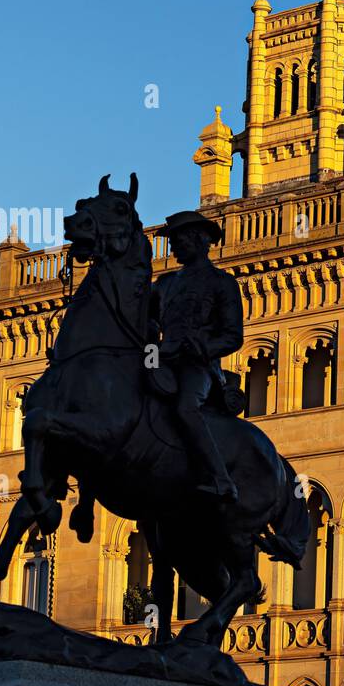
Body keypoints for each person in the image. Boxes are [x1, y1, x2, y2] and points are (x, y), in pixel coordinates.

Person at [149, 210, 243, 501]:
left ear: (200, 240)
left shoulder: (221, 283)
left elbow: (232, 336)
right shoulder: (164, 284)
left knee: (185, 408)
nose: (174, 246)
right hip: (160, 359)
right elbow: (147, 322)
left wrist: (204, 347)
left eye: (179, 239)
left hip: (198, 365)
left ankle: (221, 479)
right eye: (173, 240)